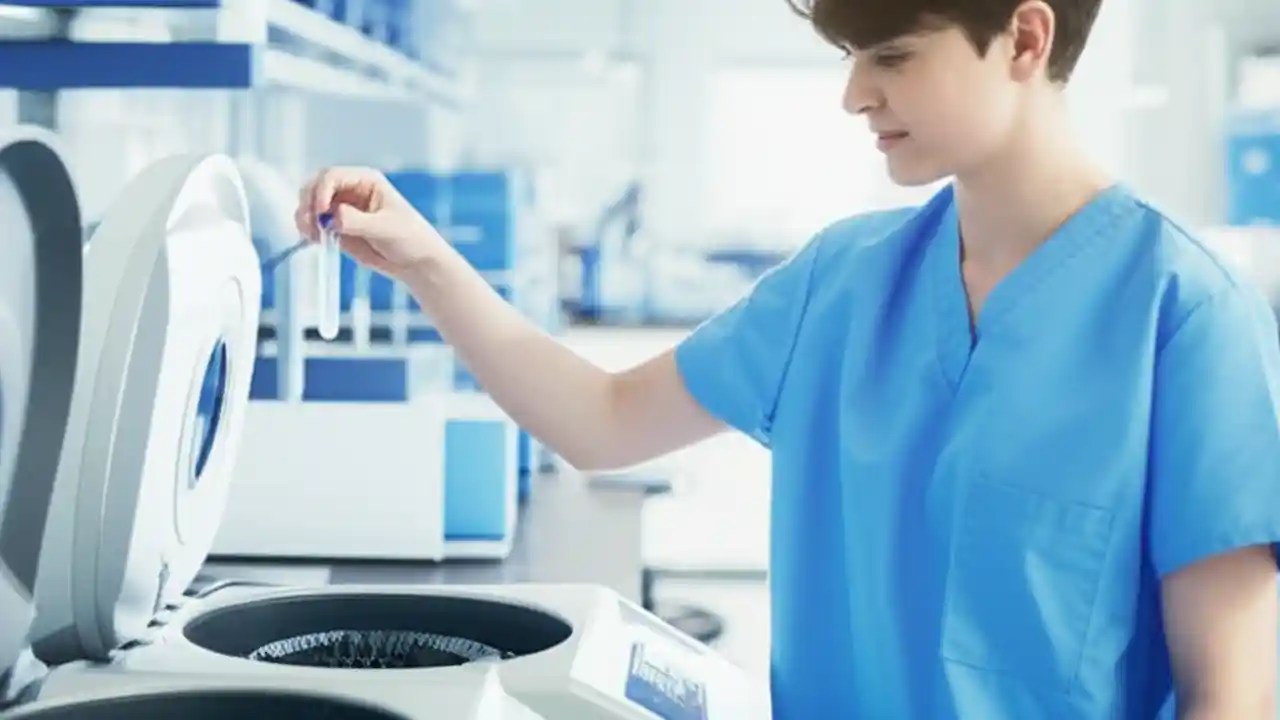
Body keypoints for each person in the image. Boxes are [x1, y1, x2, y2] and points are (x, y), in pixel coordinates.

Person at [293, 1, 1280, 717]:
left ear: (1024, 38)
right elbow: (598, 420)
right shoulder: (843, 279)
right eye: (851, 56)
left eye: (889, 54)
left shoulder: (1182, 315)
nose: (853, 93)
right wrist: (425, 261)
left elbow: (1227, 697)